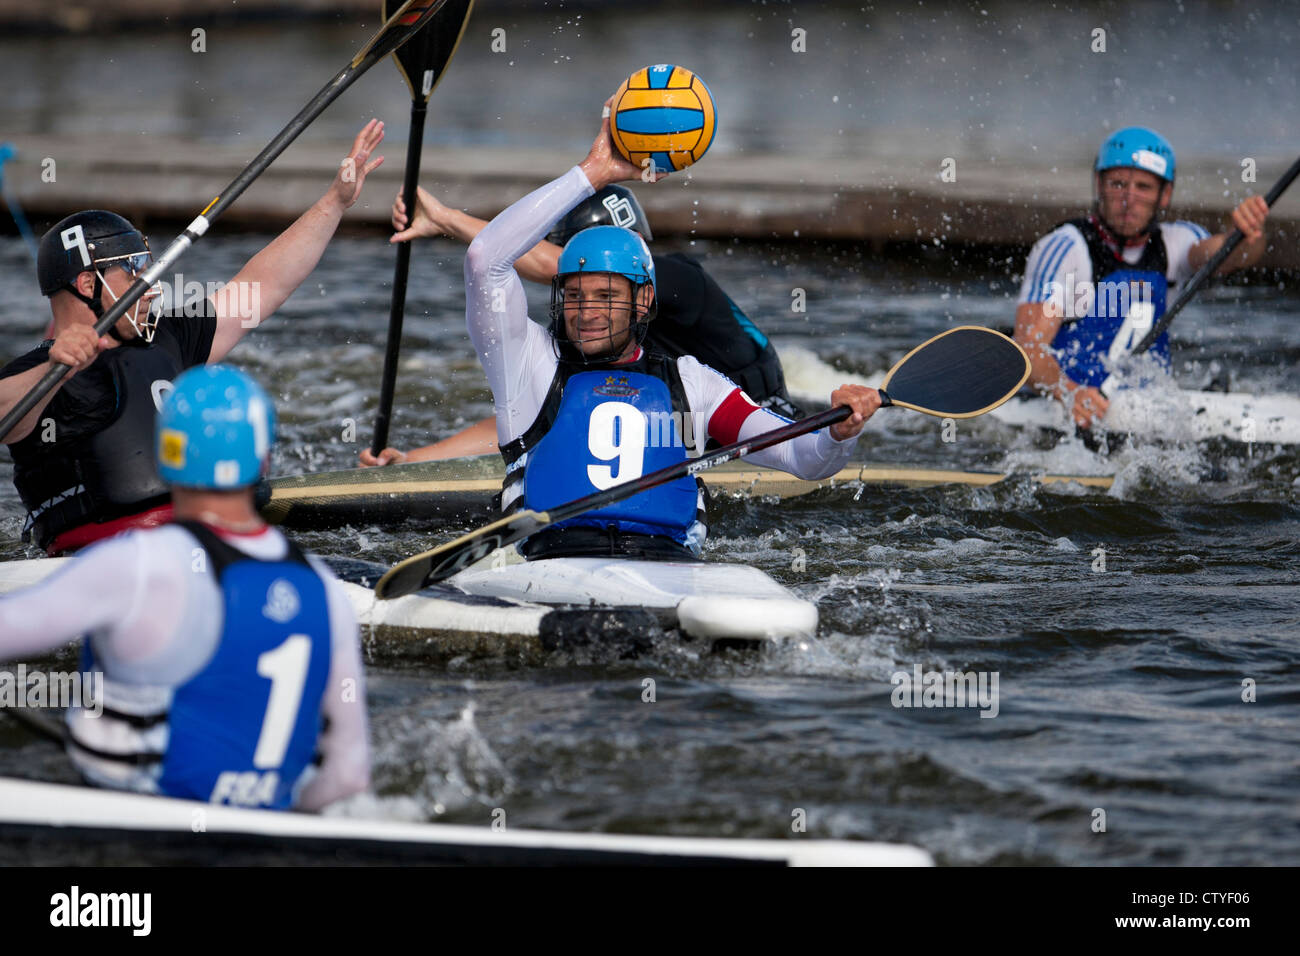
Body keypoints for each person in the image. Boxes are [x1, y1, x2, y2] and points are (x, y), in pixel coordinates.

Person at [366, 105, 879, 560]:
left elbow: (803, 458)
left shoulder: (691, 380)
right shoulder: (530, 363)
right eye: (575, 294)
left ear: (643, 301)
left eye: (607, 297)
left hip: (666, 564)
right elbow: (487, 260)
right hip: (555, 561)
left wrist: (837, 433)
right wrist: (591, 173)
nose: (587, 311)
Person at [0, 120, 386, 554]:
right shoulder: (34, 375)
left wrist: (334, 202)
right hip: (97, 559)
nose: (147, 284)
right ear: (88, 286)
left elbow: (262, 287)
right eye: (131, 271)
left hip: (201, 546)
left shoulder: (170, 339)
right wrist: (55, 368)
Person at [0, 365, 369, 812]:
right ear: (264, 459)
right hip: (266, 835)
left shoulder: (138, 565)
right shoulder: (324, 588)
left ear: (163, 455)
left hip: (129, 837)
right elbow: (348, 775)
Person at [361, 179, 801, 466]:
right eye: (576, 288)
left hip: (760, 422)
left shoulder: (677, 277)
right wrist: (417, 459)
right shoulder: (584, 332)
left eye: (602, 286)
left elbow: (532, 260)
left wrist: (447, 220)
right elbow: (533, 414)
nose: (587, 306)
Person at [1013, 126, 1269, 429]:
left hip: (1140, 409)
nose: (1128, 199)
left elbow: (1227, 256)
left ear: (1165, 195)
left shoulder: (1175, 243)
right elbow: (1028, 348)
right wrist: (1068, 392)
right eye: (1118, 184)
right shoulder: (1066, 249)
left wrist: (1247, 235)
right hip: (1065, 408)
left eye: (1143, 188)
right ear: (1099, 185)